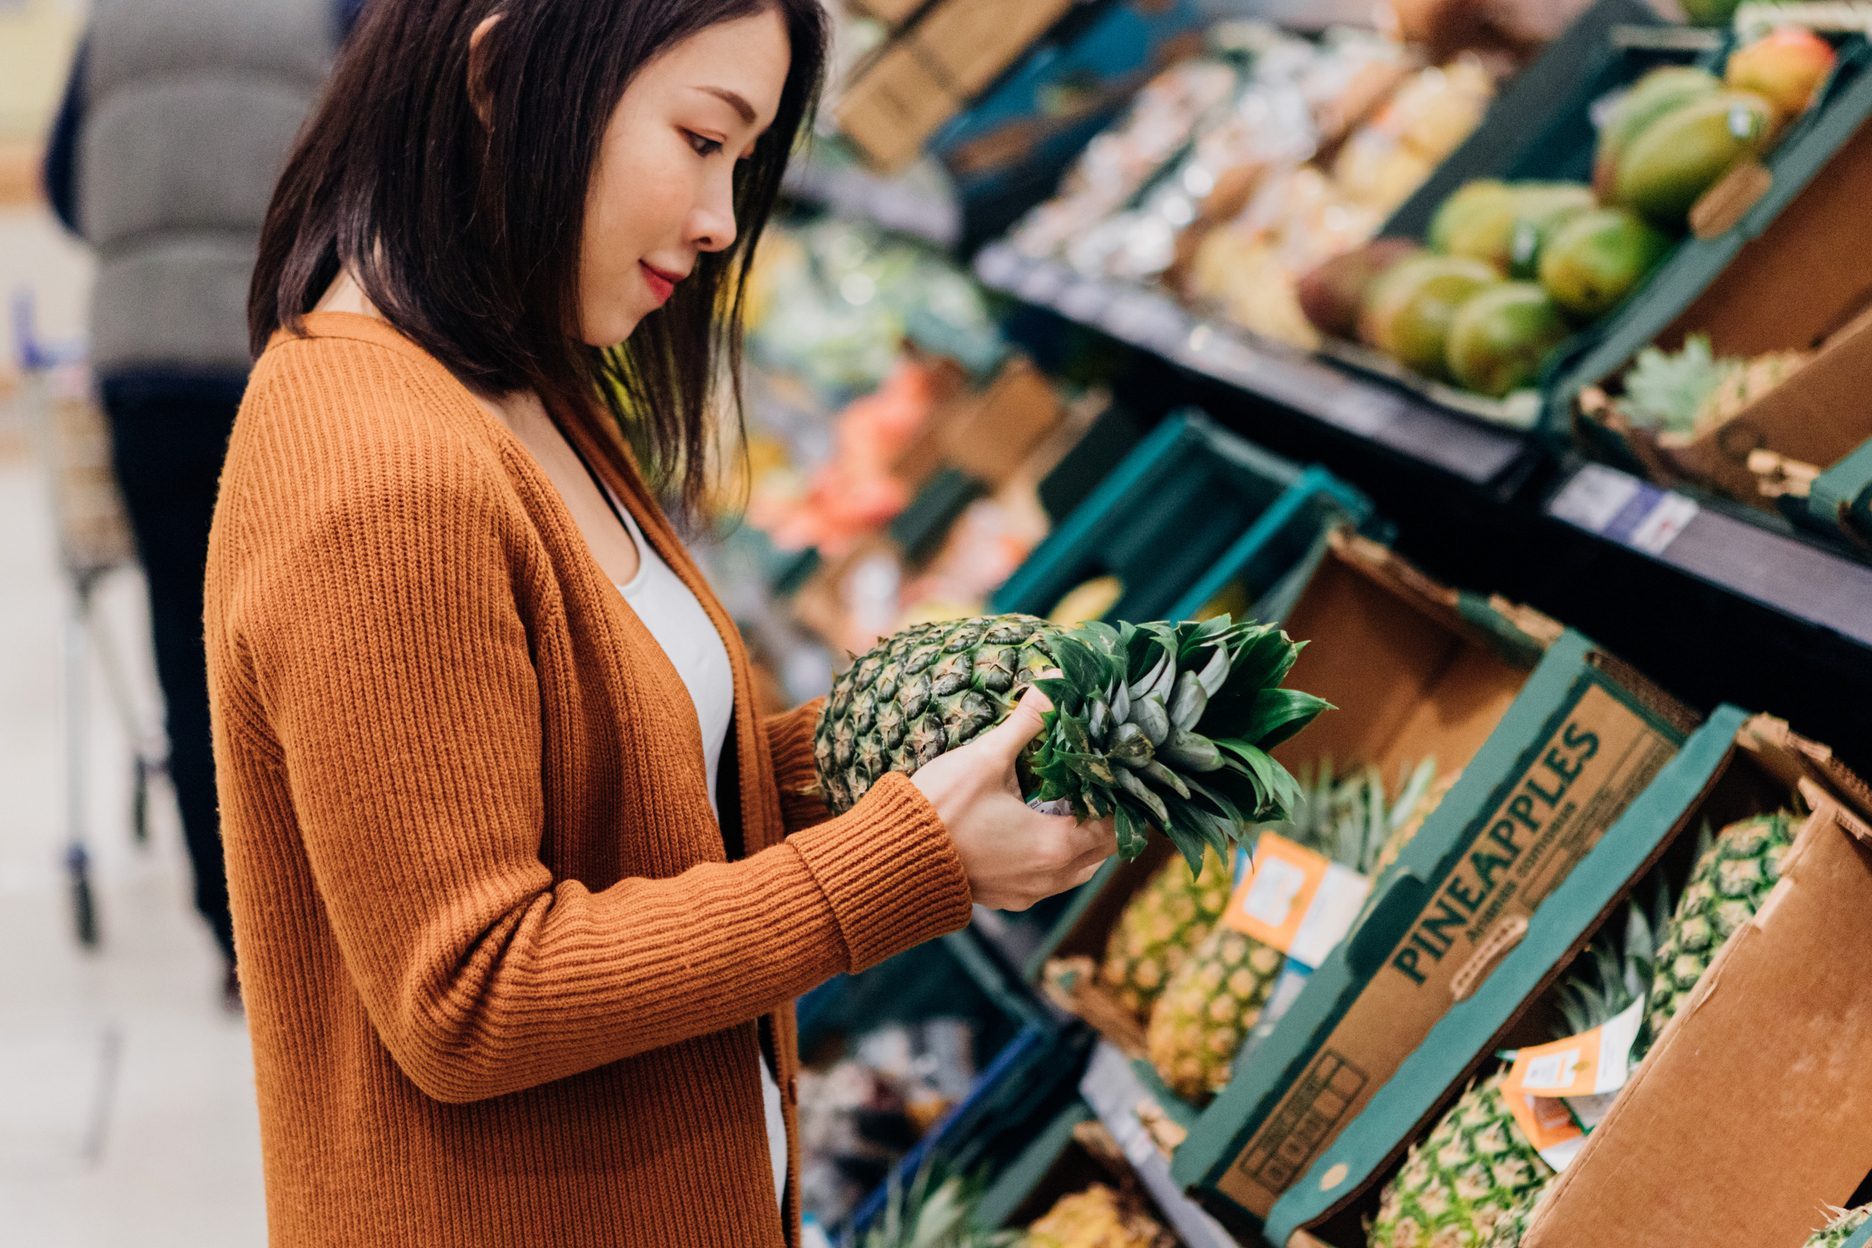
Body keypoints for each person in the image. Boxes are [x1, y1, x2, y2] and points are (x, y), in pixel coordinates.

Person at [205, 1, 1116, 1243]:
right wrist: (908, 864)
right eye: (701, 139)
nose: (721, 220)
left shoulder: (516, 388)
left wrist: (894, 753)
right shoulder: (386, 475)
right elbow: (471, 995)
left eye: (741, 165)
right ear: (497, 76)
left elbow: (630, 789)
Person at [42, 0, 367, 1002]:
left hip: (144, 368)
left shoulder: (115, 21)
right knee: (326, 644)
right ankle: (344, 919)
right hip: (281, 348)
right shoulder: (329, 12)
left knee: (193, 655)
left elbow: (66, 187)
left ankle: (242, 940)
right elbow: (378, 160)